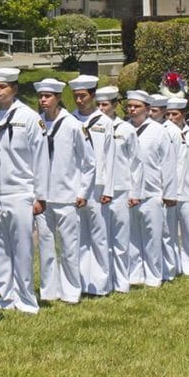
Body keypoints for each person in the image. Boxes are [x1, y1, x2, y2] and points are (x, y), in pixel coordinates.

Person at [0, 67, 48, 314]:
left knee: (22, 248)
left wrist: (40, 195)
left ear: (14, 89)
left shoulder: (30, 117)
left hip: (20, 190)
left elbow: (41, 159)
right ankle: (5, 296)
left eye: (3, 86)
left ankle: (25, 298)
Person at [35, 78, 94, 303]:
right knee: (46, 247)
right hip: (43, 195)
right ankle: (49, 290)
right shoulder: (37, 123)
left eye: (48, 96)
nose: (43, 101)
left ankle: (71, 290)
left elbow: (89, 161)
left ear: (58, 97)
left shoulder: (72, 125)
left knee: (70, 247)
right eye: (41, 97)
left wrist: (83, 192)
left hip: (67, 194)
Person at [69, 74, 115, 297]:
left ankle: (100, 283)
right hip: (74, 183)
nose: (79, 101)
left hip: (97, 186)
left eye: (83, 96)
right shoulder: (70, 120)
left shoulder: (104, 122)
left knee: (99, 235)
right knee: (77, 236)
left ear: (93, 96)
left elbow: (109, 157)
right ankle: (80, 280)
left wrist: (107, 188)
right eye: (76, 97)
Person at [125, 90, 173, 287]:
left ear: (147, 109)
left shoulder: (158, 131)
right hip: (128, 192)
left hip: (152, 190)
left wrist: (168, 193)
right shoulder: (123, 128)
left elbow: (168, 163)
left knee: (153, 237)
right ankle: (135, 274)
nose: (132, 110)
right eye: (129, 106)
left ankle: (154, 275)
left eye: (136, 107)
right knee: (132, 237)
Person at [96, 86, 138, 291]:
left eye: (105, 105)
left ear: (115, 105)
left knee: (121, 240)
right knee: (101, 239)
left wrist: (134, 192)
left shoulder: (126, 129)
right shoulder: (93, 126)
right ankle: (104, 280)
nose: (101, 109)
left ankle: (122, 282)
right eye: (98, 105)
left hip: (121, 188)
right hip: (99, 189)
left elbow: (135, 163)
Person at [163, 97, 189, 278]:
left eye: (175, 114)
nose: (170, 117)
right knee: (168, 231)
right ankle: (173, 265)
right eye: (168, 114)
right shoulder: (165, 133)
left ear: (184, 114)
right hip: (169, 190)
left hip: (187, 189)